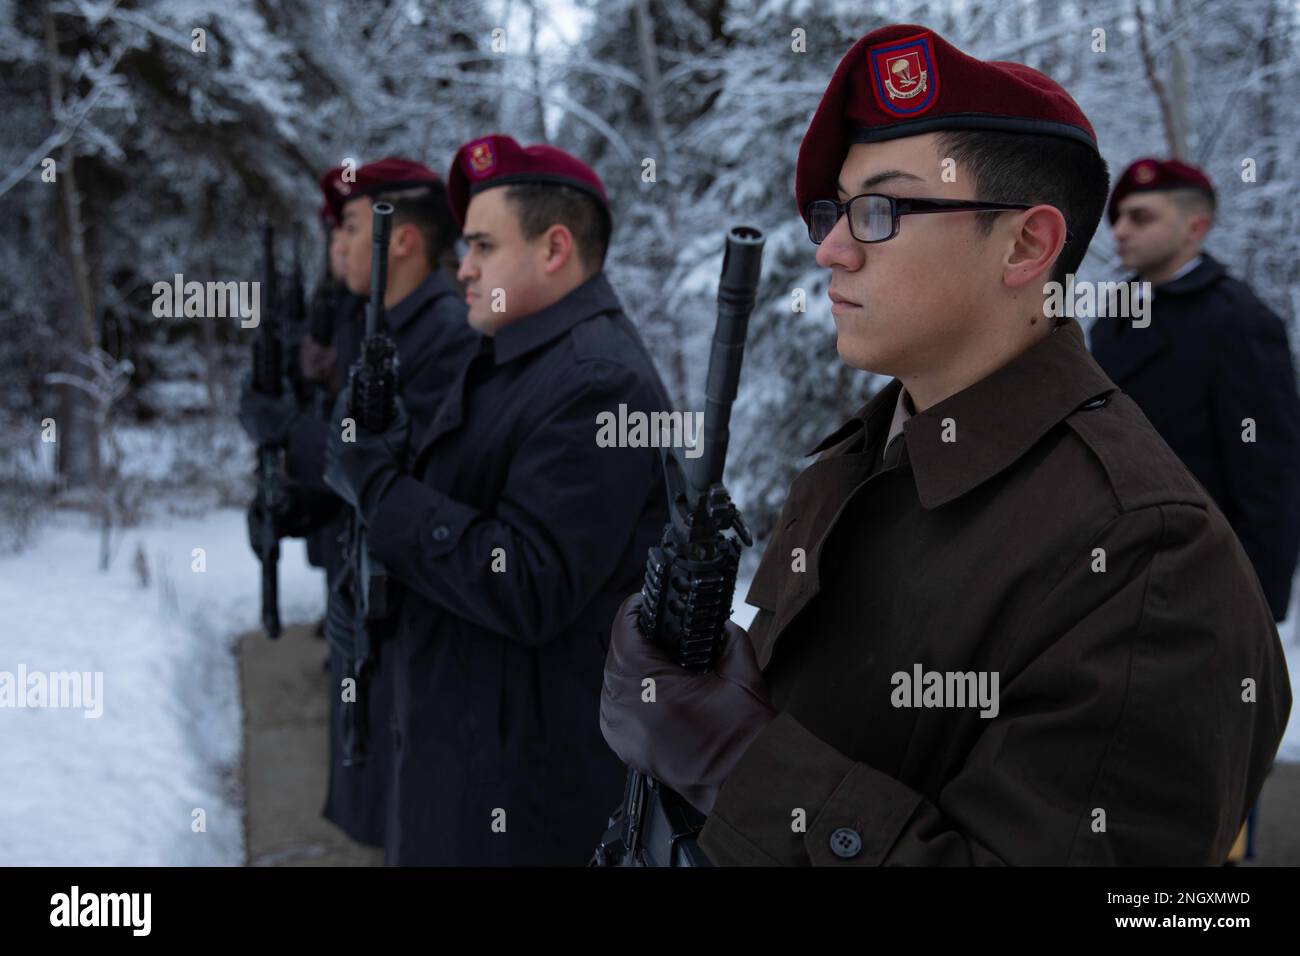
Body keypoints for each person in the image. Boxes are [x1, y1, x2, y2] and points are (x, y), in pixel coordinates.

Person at [599, 24, 1292, 866]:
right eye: (833, 210)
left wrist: (736, 763)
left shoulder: (1147, 558)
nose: (829, 249)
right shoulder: (852, 463)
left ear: (1027, 245)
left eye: (880, 210)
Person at [323, 135, 671, 865]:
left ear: (553, 249)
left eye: (482, 245)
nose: (464, 266)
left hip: (518, 793)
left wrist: (382, 491)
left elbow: (530, 582)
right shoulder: (515, 356)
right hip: (468, 754)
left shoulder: (598, 382)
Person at [240, 157, 477, 848]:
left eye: (347, 227)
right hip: (368, 598)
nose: (334, 245)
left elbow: (398, 466)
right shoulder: (384, 322)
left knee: (401, 799)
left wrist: (291, 431)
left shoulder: (445, 333)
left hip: (407, 609)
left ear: (400, 238)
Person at [1091, 157, 1300, 623]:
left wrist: (1255, 606)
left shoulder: (1239, 321)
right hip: (1115, 573)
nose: (1120, 230)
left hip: (1201, 580)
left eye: (1140, 217)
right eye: (1117, 217)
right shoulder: (1115, 315)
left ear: (1195, 226)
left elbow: (1269, 474)